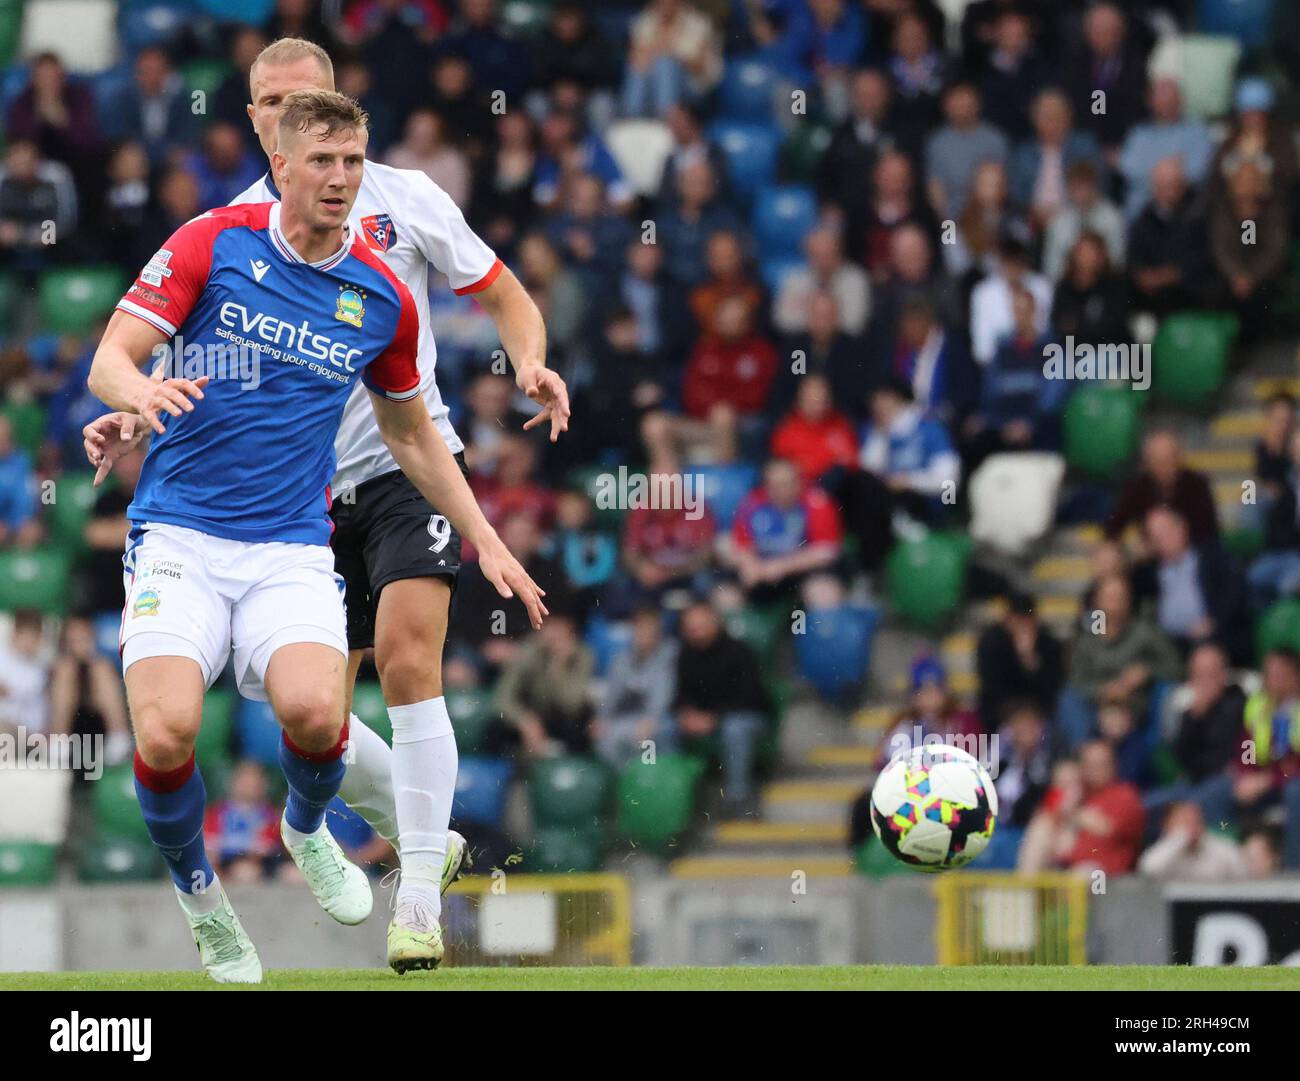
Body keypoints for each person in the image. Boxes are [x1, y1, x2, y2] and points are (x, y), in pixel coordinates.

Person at [83, 38, 569, 976]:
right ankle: (298, 846)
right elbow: (148, 356)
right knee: (297, 712)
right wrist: (133, 409)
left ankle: (419, 892)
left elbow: (474, 338)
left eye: (306, 106)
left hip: (380, 481)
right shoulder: (220, 232)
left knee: (405, 660)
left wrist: (525, 366)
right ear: (265, 133)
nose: (286, 118)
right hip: (254, 502)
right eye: (266, 104)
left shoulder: (400, 223)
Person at [672, 599, 769, 817]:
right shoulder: (684, 655)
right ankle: (673, 797)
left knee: (735, 729)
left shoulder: (738, 651)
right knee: (666, 727)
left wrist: (714, 718)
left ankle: (738, 797)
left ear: (716, 623)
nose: (698, 633)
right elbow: (679, 696)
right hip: (702, 721)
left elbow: (750, 696)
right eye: (692, 628)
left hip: (745, 718)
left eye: (702, 626)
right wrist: (687, 714)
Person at [592, 605, 678, 768]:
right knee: (606, 737)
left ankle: (650, 782)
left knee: (651, 738)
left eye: (649, 629)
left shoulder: (670, 654)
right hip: (626, 718)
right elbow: (612, 694)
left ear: (658, 633)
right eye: (640, 629)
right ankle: (623, 783)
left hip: (662, 718)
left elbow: (664, 694)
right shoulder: (622, 658)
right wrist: (601, 718)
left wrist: (651, 720)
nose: (643, 634)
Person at [975, 591, 1063, 731]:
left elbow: (1052, 684)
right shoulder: (991, 642)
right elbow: (990, 682)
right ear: (1008, 619)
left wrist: (1029, 658)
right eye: (1017, 619)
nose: (1021, 625)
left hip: (1037, 704)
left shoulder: (1048, 644)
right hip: (1002, 705)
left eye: (1026, 620)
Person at [1137, 801, 1247, 881]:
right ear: (1167, 825)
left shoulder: (1222, 848)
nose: (1192, 826)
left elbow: (1243, 875)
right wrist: (1179, 839)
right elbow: (1149, 870)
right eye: (1185, 821)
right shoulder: (1161, 852)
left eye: (1196, 820)